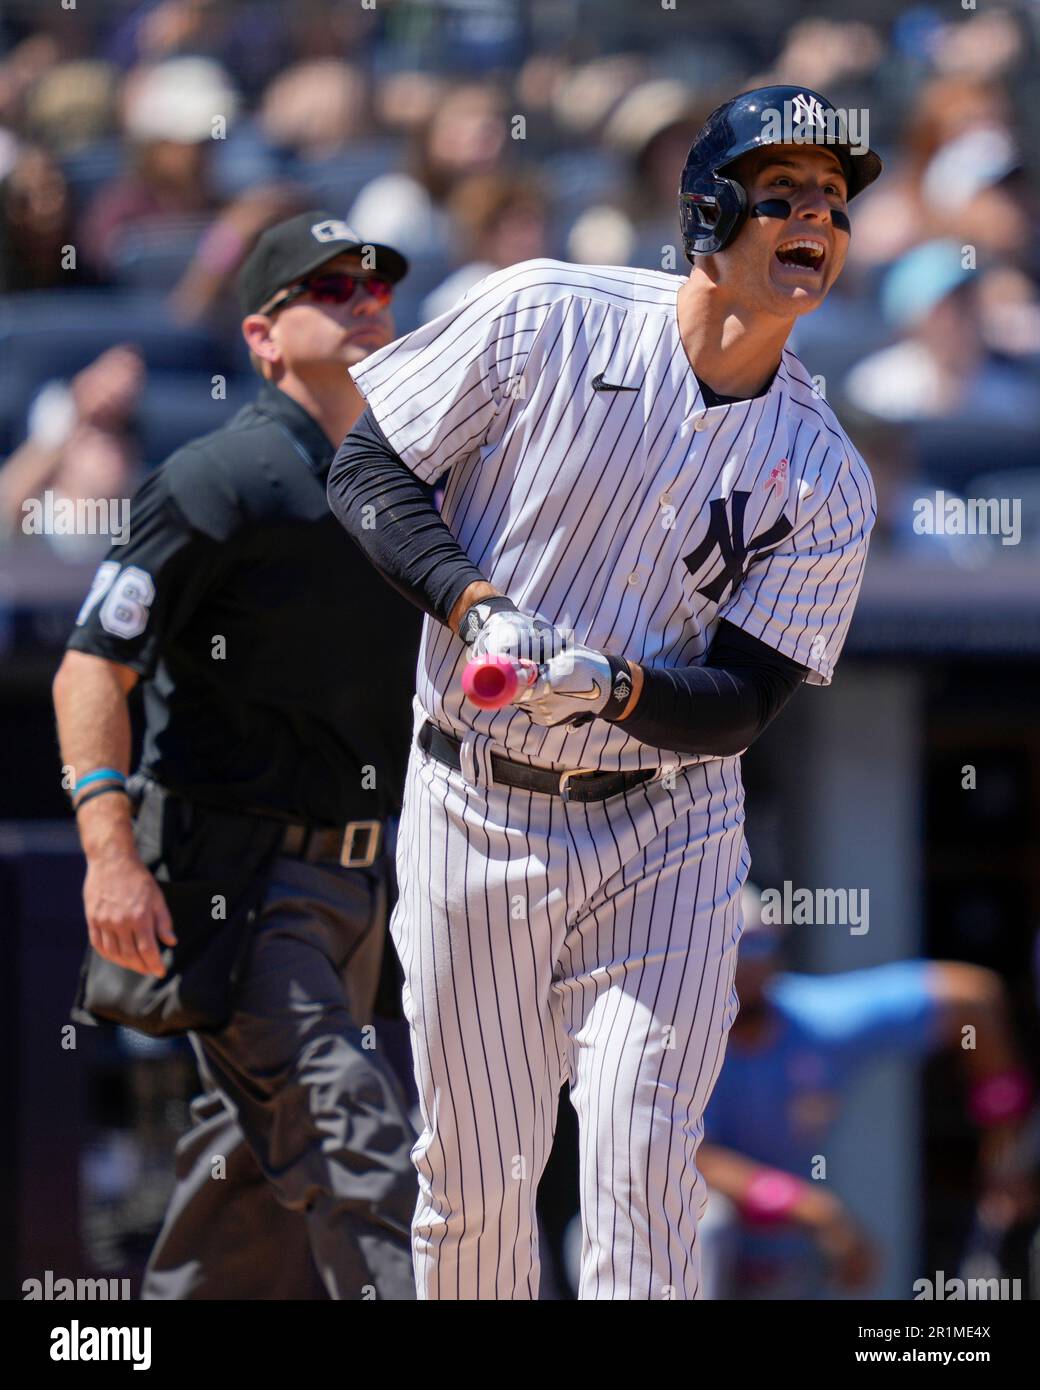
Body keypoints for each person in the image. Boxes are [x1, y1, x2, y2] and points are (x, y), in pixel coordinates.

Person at [327, 85, 880, 1300]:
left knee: (645, 1169)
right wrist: (474, 604)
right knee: (476, 1174)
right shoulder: (546, 315)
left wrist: (611, 685)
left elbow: (741, 701)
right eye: (780, 195)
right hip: (475, 806)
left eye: (833, 205)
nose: (814, 222)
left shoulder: (825, 475)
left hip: (665, 824)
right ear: (706, 214)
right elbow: (367, 469)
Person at [52, 211, 421, 1300]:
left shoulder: (410, 474)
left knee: (251, 1180)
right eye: (331, 290)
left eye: (375, 288)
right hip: (239, 879)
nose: (364, 304)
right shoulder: (225, 474)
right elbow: (90, 667)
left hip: (365, 878)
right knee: (358, 1145)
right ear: (262, 336)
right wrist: (108, 851)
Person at [697, 888, 1037, 1299]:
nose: (744, 962)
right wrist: (811, 1207)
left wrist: (1004, 1148)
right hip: (680, 1256)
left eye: (758, 943)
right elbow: (683, 1152)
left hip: (783, 1265)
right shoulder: (676, 1038)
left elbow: (973, 998)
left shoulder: (813, 1019)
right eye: (730, 944)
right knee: (710, 1220)